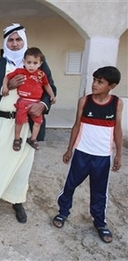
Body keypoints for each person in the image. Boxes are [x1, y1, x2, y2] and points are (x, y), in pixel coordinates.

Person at [0, 23, 56, 223]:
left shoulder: (38, 62)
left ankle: (16, 201)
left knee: (21, 166)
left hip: (26, 125)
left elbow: (51, 88)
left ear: (24, 41)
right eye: (10, 40)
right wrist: (6, 86)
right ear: (6, 43)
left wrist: (42, 104)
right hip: (0, 121)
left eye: (18, 39)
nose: (14, 44)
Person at [53, 66, 123, 244]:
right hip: (82, 153)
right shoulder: (84, 101)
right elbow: (76, 125)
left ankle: (100, 222)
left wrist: (119, 154)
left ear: (111, 85)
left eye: (100, 82)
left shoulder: (117, 103)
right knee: (70, 185)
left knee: (99, 192)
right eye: (94, 80)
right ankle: (62, 212)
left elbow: (118, 129)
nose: (94, 84)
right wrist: (70, 149)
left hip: (102, 157)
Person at [1, 47, 56, 151]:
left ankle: (32, 139)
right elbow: (7, 77)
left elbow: (47, 85)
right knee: (19, 121)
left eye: (35, 63)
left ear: (40, 64)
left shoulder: (41, 74)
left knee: (38, 122)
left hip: (36, 103)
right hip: (23, 101)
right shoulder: (19, 71)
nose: (31, 65)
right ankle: (17, 139)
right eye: (29, 62)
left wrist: (52, 96)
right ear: (24, 62)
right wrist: (5, 86)